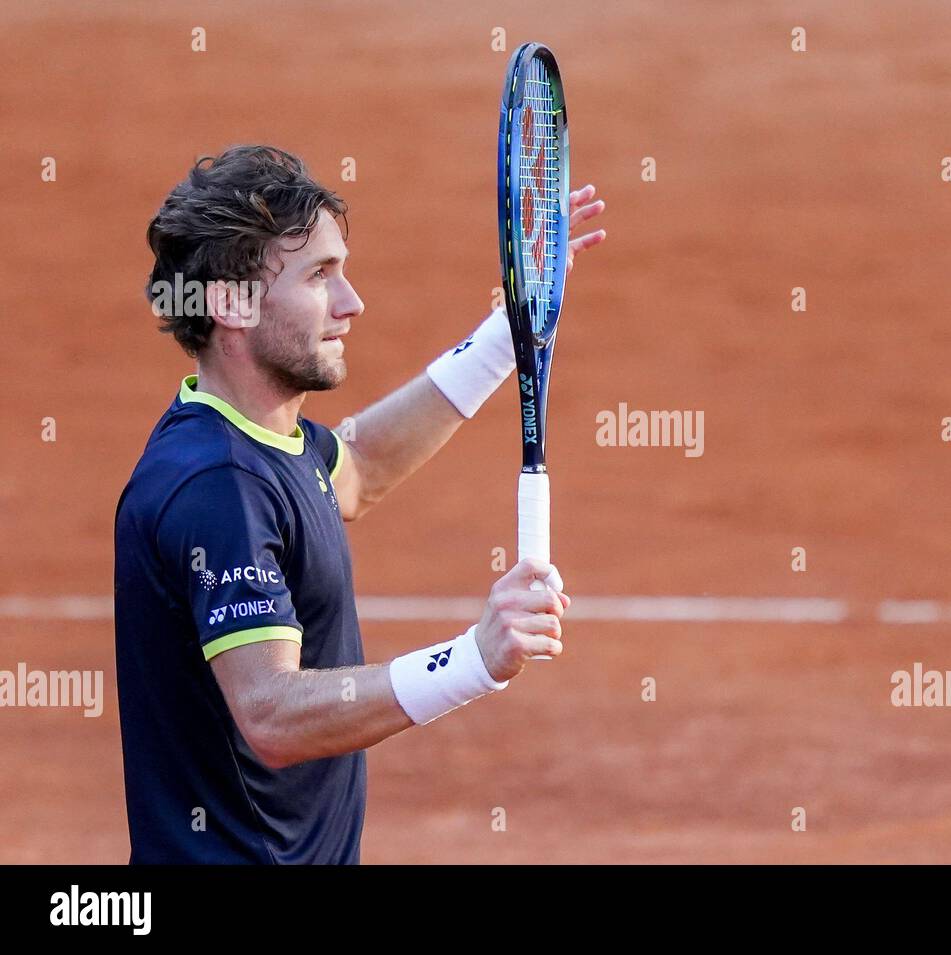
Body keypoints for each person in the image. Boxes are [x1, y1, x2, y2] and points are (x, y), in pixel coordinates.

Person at [114, 145, 606, 863]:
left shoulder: (259, 438)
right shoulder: (219, 489)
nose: (352, 303)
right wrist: (474, 659)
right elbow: (273, 714)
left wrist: (509, 333)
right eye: (320, 276)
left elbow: (360, 468)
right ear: (230, 302)